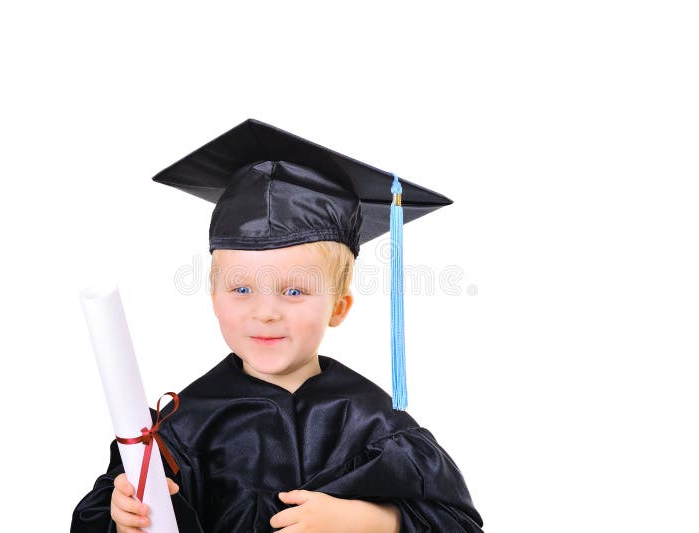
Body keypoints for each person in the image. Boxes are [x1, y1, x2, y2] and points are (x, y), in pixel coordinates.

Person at [70, 119, 484, 532]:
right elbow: (99, 518)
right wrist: (122, 516)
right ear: (214, 301)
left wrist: (371, 521)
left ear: (338, 307)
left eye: (293, 292)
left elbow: (457, 523)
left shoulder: (373, 424)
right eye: (242, 290)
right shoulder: (182, 428)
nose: (266, 312)